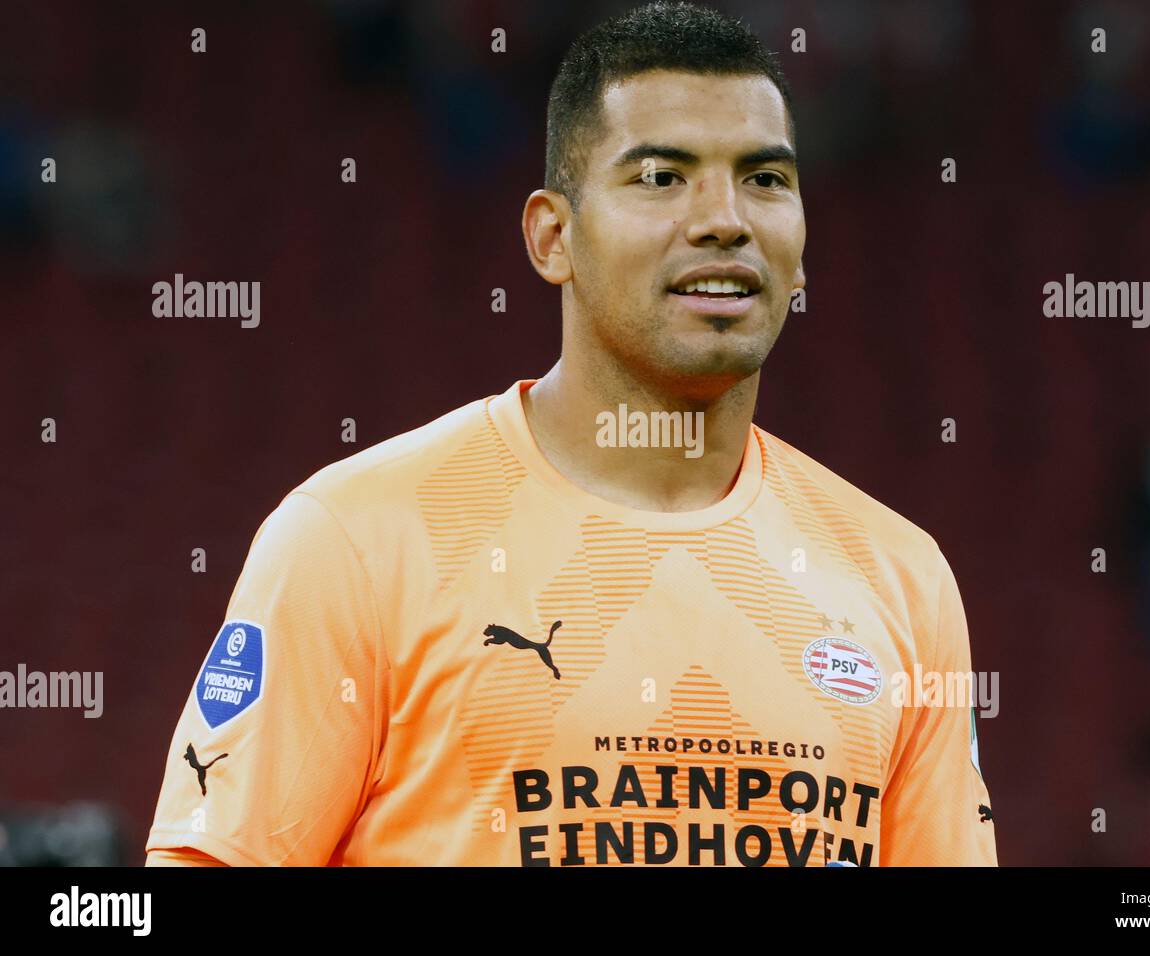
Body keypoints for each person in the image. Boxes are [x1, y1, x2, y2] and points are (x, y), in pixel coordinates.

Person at [146, 0, 996, 867]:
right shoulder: (355, 541)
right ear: (553, 237)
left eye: (765, 180)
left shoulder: (904, 581)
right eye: (662, 177)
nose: (724, 219)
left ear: (803, 247)